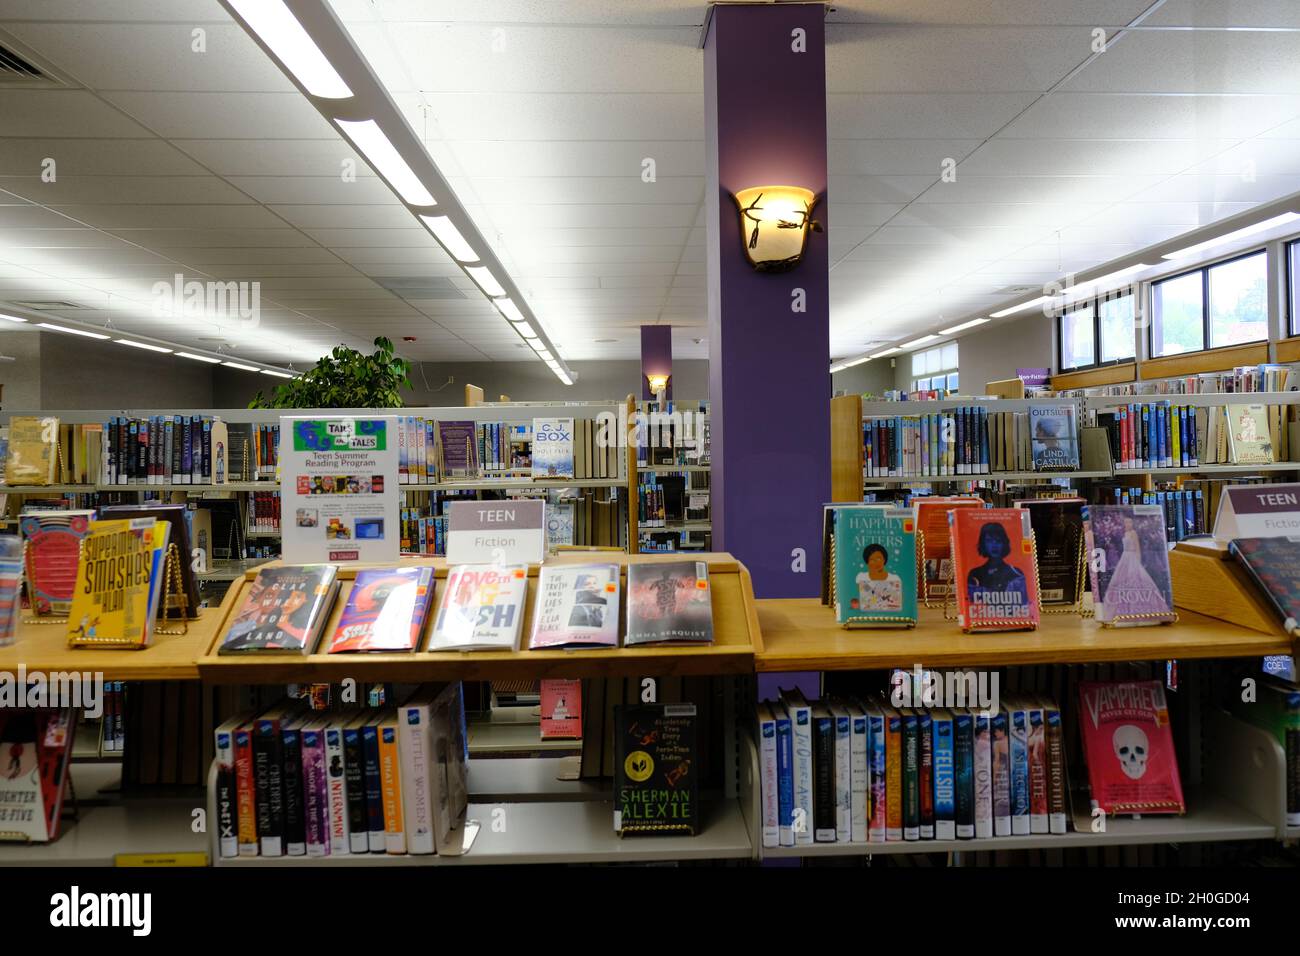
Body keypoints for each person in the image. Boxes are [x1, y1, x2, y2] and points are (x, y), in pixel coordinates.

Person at [1102, 515, 1170, 617]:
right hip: (1125, 558)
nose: (1128, 524)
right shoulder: (1124, 533)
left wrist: (1137, 562)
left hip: (1132, 557)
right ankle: (1122, 609)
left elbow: (1137, 548)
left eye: (1129, 522)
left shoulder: (1133, 533)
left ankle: (1139, 608)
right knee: (1121, 581)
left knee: (1135, 580)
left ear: (1132, 523)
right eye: (1126, 522)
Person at [967, 522, 1028, 615]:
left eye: (998, 541)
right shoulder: (975, 574)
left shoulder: (1016, 574)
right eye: (989, 540)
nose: (994, 545)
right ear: (983, 543)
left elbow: (1023, 607)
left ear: (1004, 544)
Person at [854, 543, 902, 612]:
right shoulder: (861, 577)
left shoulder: (894, 579)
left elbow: (896, 601)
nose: (876, 563)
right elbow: (867, 597)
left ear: (884, 559)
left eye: (879, 558)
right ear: (867, 563)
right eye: (872, 560)